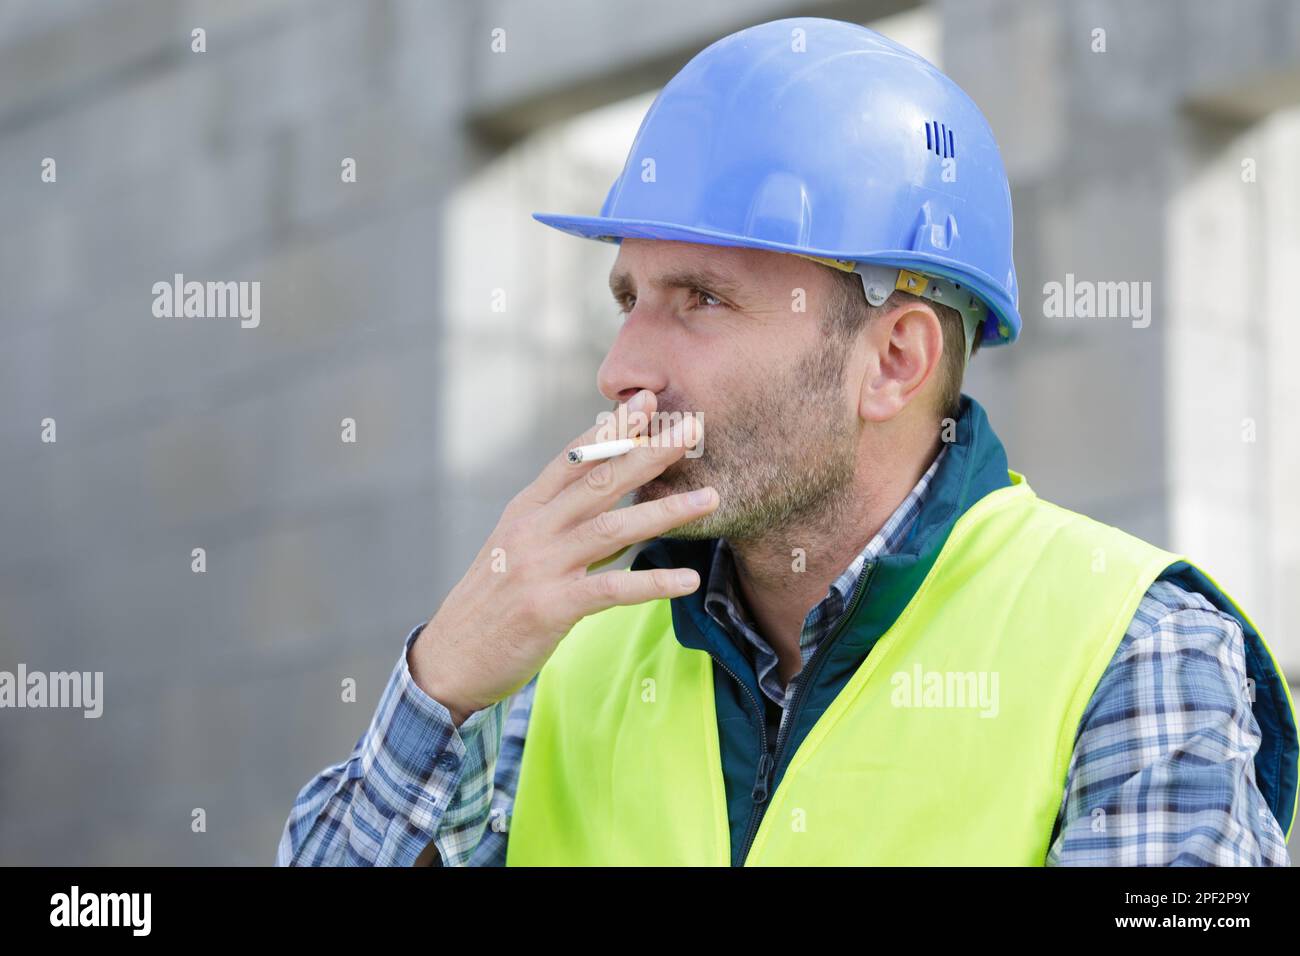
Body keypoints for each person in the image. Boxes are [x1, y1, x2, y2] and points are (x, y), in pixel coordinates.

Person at [278, 17, 1298, 866]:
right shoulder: (553, 669)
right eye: (629, 297)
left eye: (702, 300)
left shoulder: (1138, 647)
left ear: (894, 358)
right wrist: (441, 680)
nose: (620, 366)